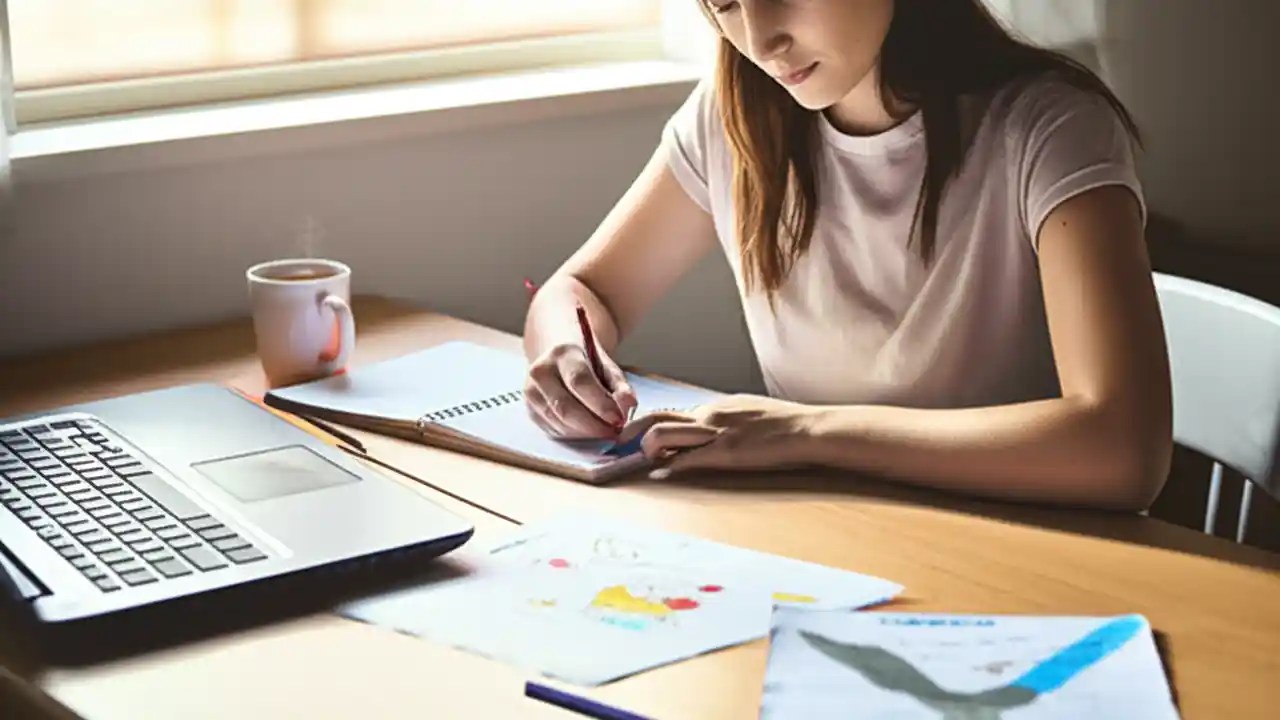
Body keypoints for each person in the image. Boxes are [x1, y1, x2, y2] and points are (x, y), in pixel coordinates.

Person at [521, 0, 1171, 510]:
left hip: (1027, 548)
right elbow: (583, 292)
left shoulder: (1050, 128)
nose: (761, 41)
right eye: (725, 4)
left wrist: (808, 434)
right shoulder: (733, 117)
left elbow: (1123, 451)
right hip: (832, 533)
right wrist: (569, 355)